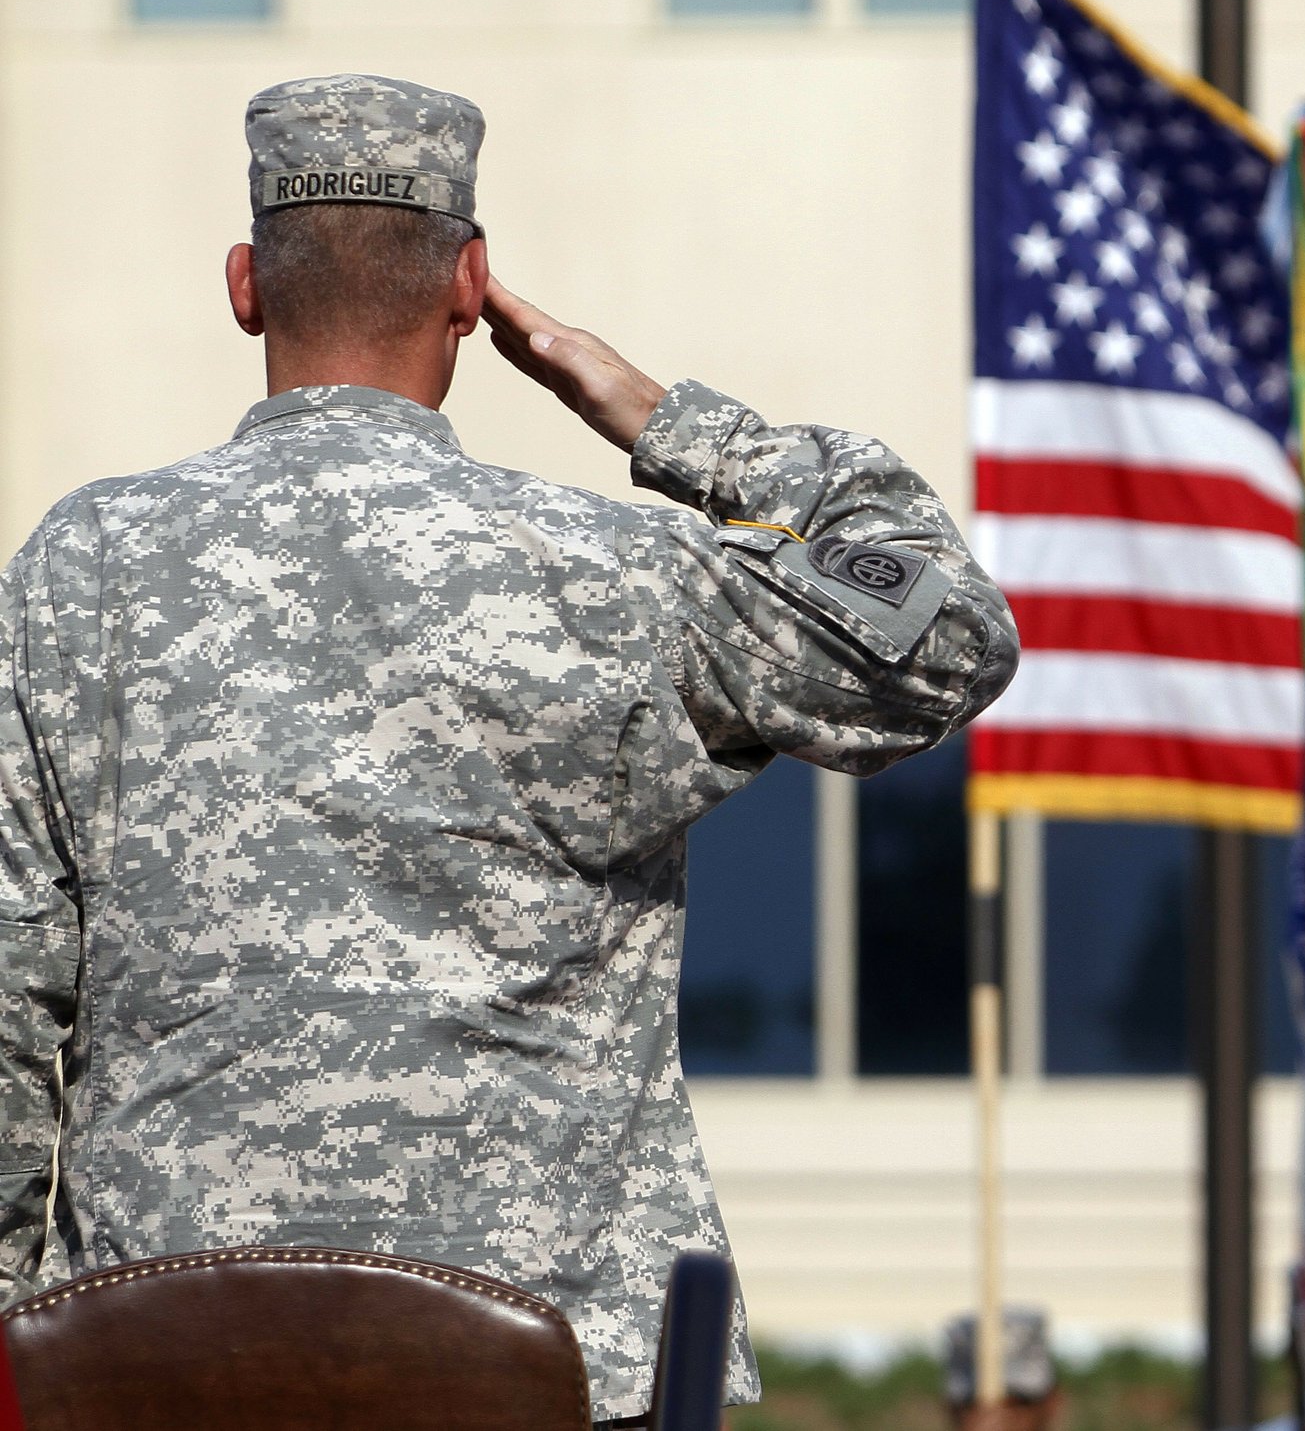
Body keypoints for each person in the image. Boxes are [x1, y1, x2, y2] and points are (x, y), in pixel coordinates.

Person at [0, 76, 1019, 1423]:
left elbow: (12, 994)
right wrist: (667, 420)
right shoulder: (608, 571)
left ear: (247, 283)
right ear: (470, 286)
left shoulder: (82, 569)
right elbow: (946, 629)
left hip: (171, 1353)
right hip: (547, 1365)